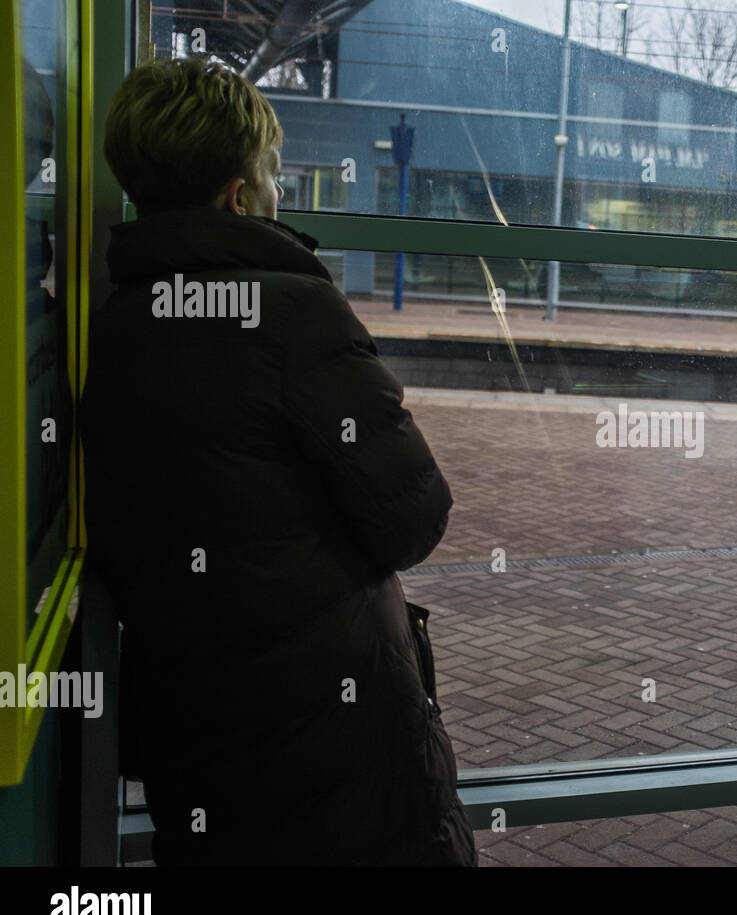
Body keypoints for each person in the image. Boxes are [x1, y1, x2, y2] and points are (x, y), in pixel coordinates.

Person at [79, 56, 477, 866]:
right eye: (270, 172)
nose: (278, 191)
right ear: (238, 195)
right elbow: (414, 516)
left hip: (197, 729)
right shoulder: (294, 312)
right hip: (336, 738)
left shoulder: (113, 326)